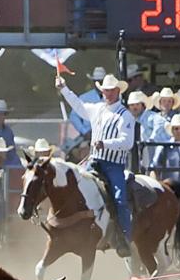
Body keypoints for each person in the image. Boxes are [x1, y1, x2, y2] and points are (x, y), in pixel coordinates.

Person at [56, 72, 135, 255]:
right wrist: (64, 88)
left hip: (113, 165)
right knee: (75, 186)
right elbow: (78, 105)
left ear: (117, 91)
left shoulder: (125, 115)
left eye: (111, 91)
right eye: (105, 91)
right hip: (94, 161)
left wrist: (105, 143)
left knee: (119, 199)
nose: (108, 94)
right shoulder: (97, 109)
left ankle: (124, 238)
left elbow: (127, 142)